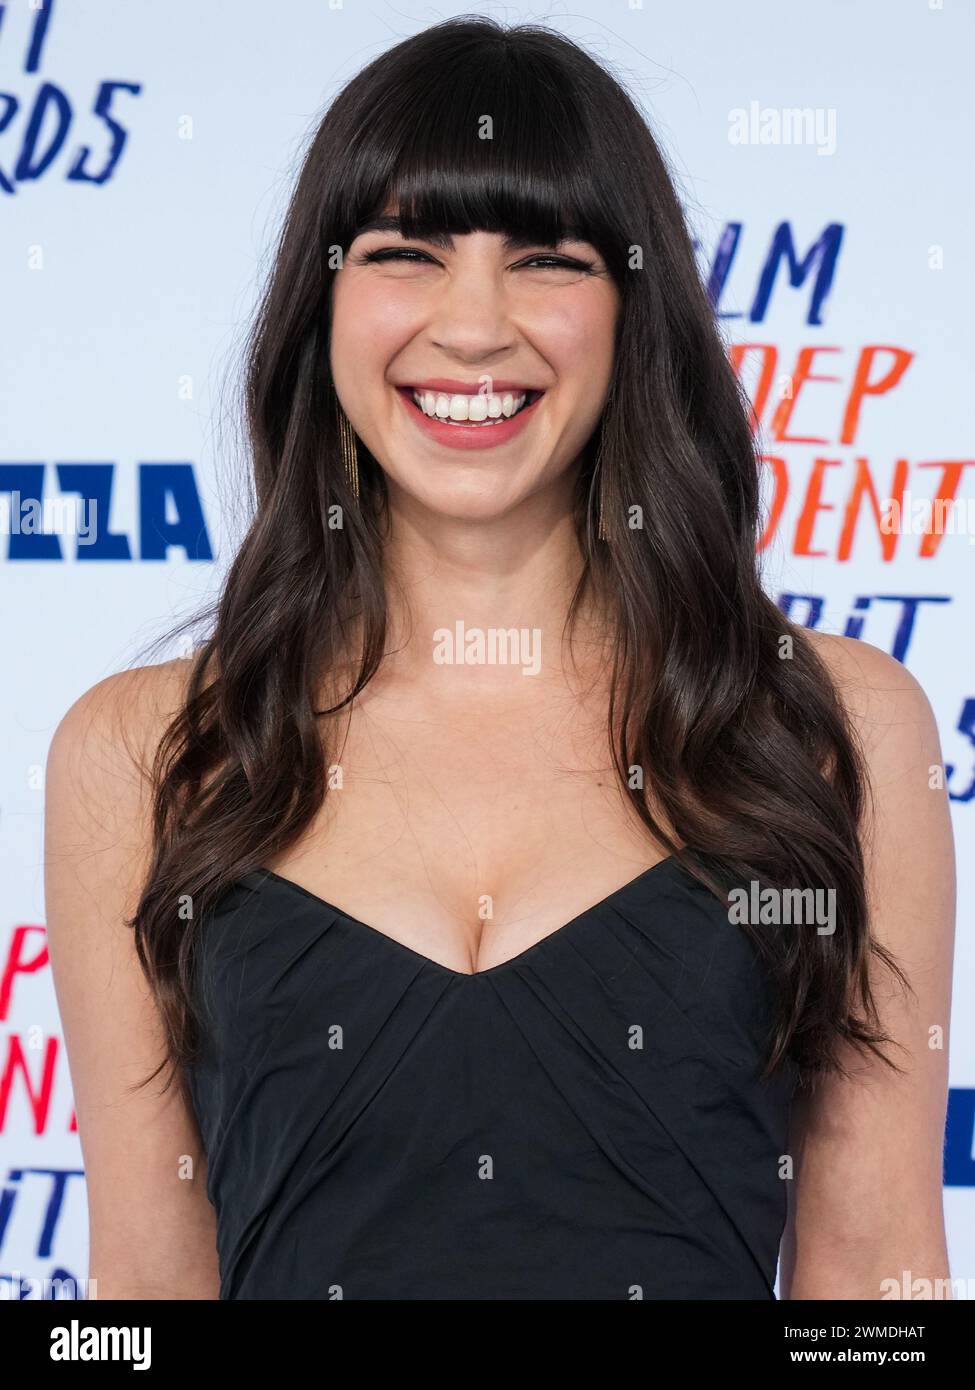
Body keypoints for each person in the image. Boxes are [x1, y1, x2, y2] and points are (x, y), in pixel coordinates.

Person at [44, 17, 955, 1300]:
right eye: (407, 252)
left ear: (637, 312)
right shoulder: (142, 755)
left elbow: (876, 1280)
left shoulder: (832, 728)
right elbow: (137, 1299)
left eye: (547, 259)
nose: (474, 329)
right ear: (324, 301)